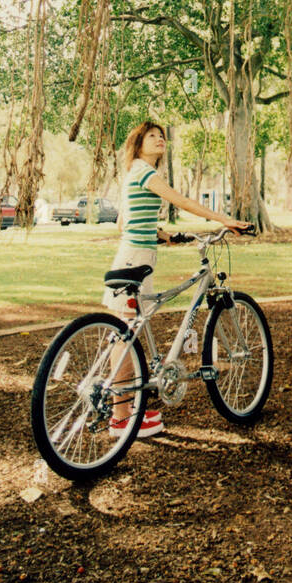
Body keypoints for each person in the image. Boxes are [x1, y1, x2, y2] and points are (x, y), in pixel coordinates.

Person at [105, 120, 250, 439]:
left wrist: (161, 234)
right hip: (137, 260)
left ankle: (125, 411)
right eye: (151, 136)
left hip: (133, 255)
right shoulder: (145, 171)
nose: (159, 140)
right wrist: (223, 219)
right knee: (126, 334)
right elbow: (181, 200)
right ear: (138, 143)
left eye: (162, 136)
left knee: (127, 332)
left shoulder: (133, 173)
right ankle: (120, 418)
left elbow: (123, 222)